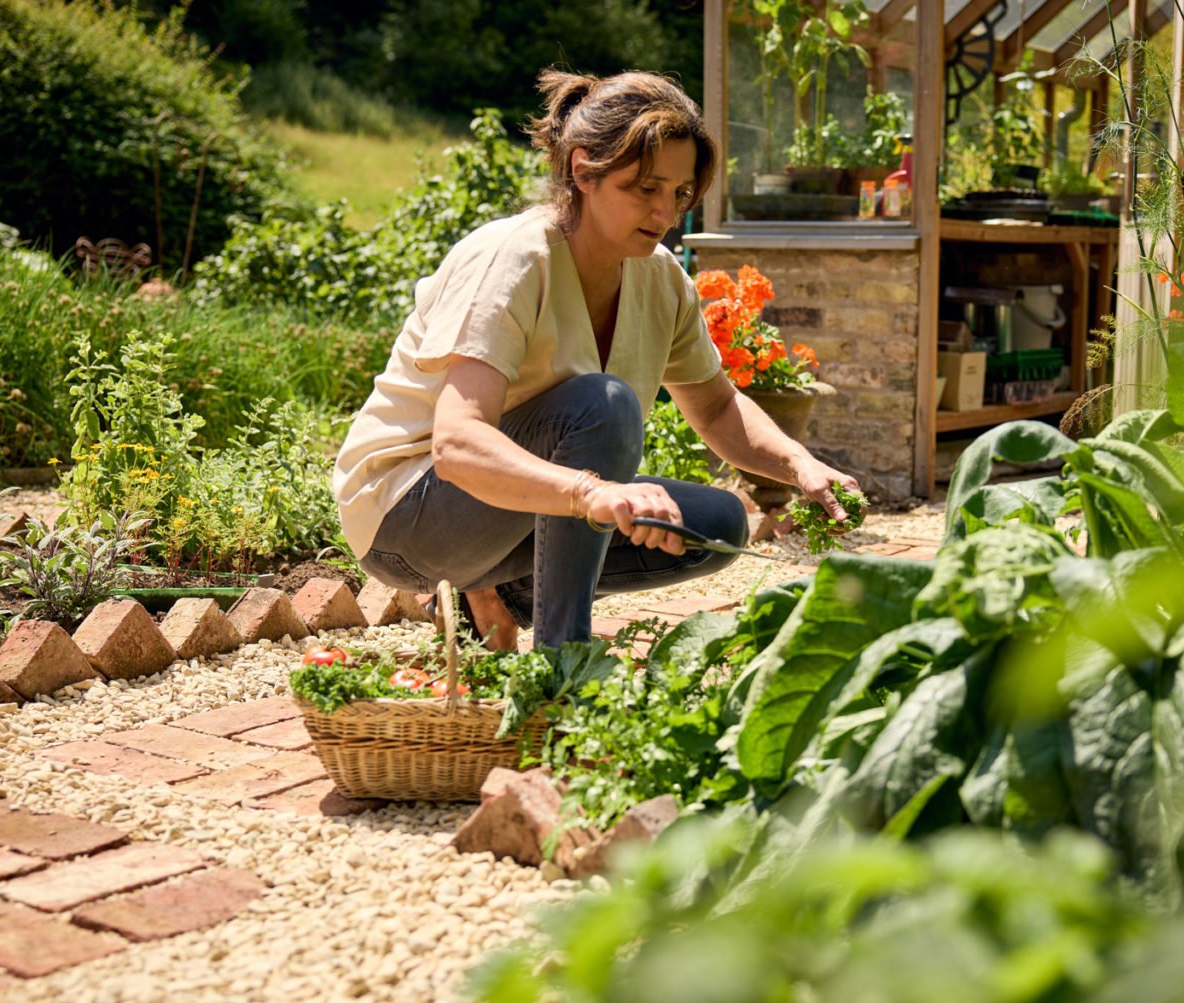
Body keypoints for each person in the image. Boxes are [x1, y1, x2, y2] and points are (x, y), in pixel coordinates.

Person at [333, 68, 858, 651]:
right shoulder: (512, 260)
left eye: (680, 194)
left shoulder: (661, 280)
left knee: (716, 525)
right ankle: (563, 666)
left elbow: (713, 407)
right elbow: (456, 447)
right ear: (584, 170)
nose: (666, 212)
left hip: (504, 511)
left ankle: (494, 599)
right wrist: (592, 495)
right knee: (601, 406)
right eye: (646, 188)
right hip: (408, 516)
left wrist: (797, 463)